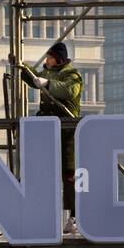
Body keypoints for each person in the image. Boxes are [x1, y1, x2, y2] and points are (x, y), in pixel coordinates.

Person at [19, 41, 83, 236]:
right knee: (43, 172)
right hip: (48, 129)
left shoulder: (71, 75)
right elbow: (34, 79)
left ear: (58, 59)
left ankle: (74, 217)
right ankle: (41, 212)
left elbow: (68, 90)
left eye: (49, 57)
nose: (46, 60)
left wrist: (47, 84)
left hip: (67, 129)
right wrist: (23, 67)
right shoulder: (48, 72)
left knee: (69, 174)